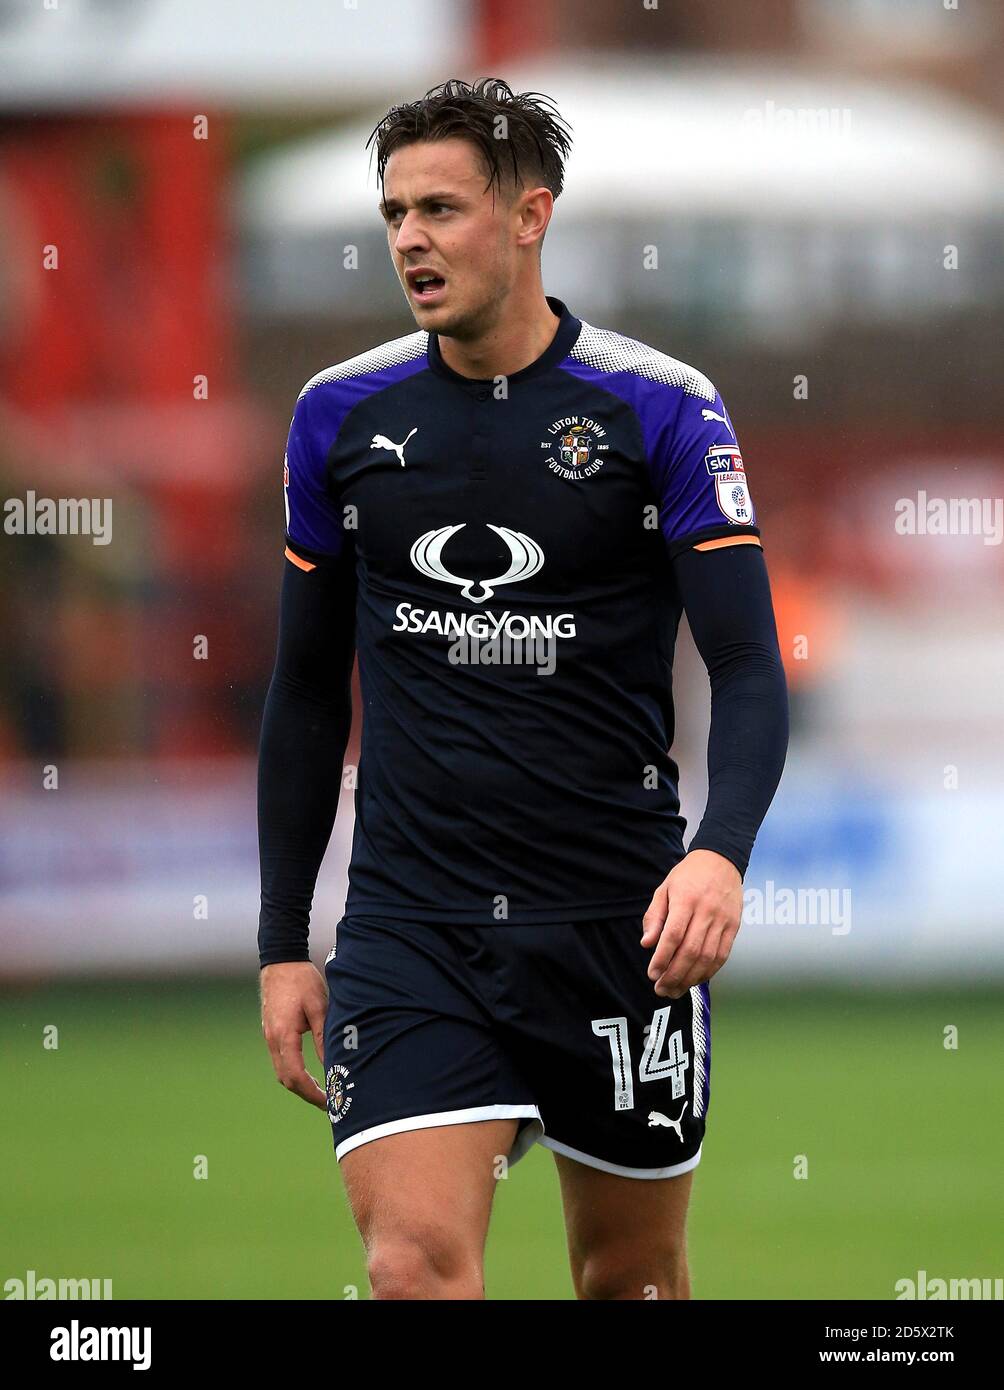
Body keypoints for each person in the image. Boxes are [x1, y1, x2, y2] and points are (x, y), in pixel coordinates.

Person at [258, 77, 789, 1300]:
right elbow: (299, 691)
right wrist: (286, 937)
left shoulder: (659, 406)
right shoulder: (337, 416)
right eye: (392, 211)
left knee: (627, 1279)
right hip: (411, 930)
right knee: (410, 1268)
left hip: (618, 928)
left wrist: (718, 853)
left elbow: (750, 666)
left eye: (439, 208)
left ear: (529, 215)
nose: (408, 239)